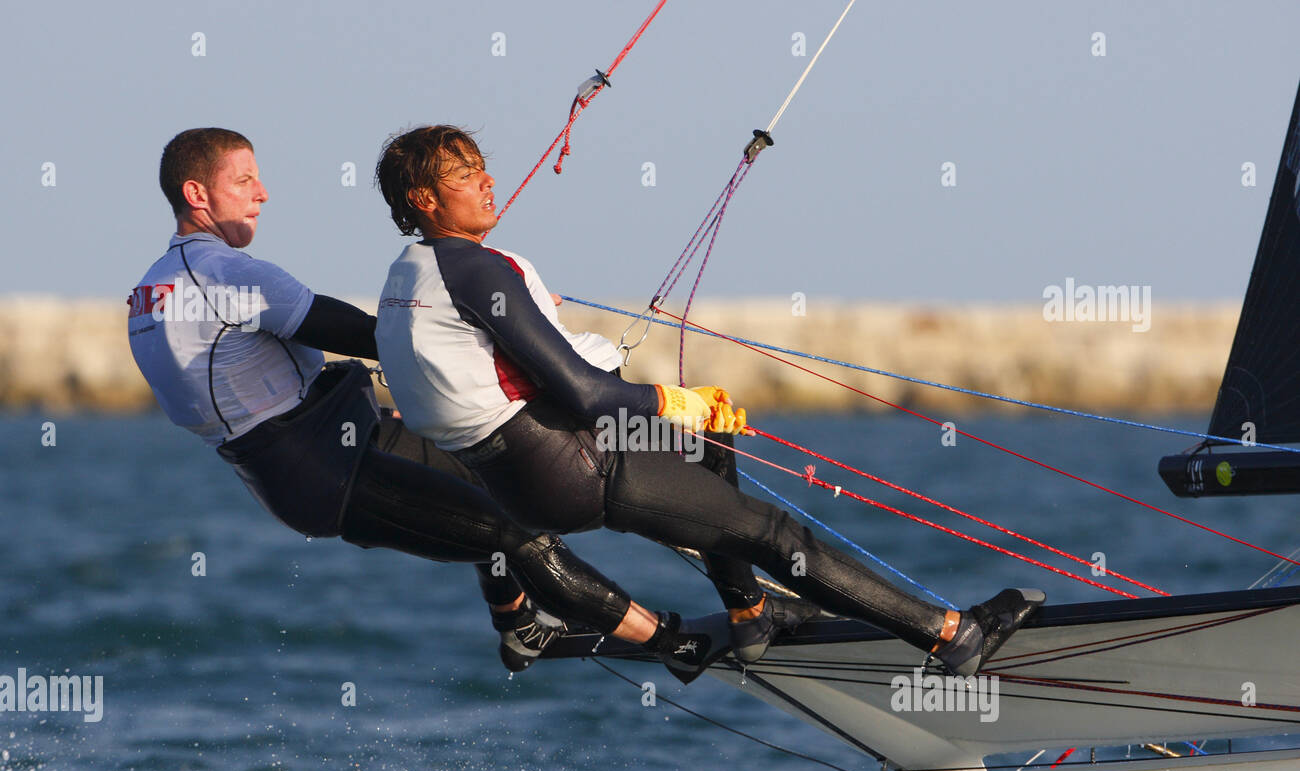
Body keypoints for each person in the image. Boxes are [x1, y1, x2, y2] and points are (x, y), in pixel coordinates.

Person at [372, 125, 1045, 677]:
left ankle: (751, 616)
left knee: (710, 439)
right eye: (464, 175)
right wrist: (668, 399)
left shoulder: (409, 271)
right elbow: (582, 392)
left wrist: (686, 415)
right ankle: (952, 636)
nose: (488, 181)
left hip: (522, 475)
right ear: (425, 199)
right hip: (573, 464)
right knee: (774, 532)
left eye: (484, 166)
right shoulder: (477, 269)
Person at [126, 127, 717, 679]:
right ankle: (675, 643)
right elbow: (373, 335)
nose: (263, 193)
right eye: (244, 181)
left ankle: (517, 624)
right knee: (514, 535)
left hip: (334, 436)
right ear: (196, 192)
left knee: (491, 466)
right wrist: (498, 314)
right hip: (322, 472)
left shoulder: (150, 290)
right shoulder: (226, 275)